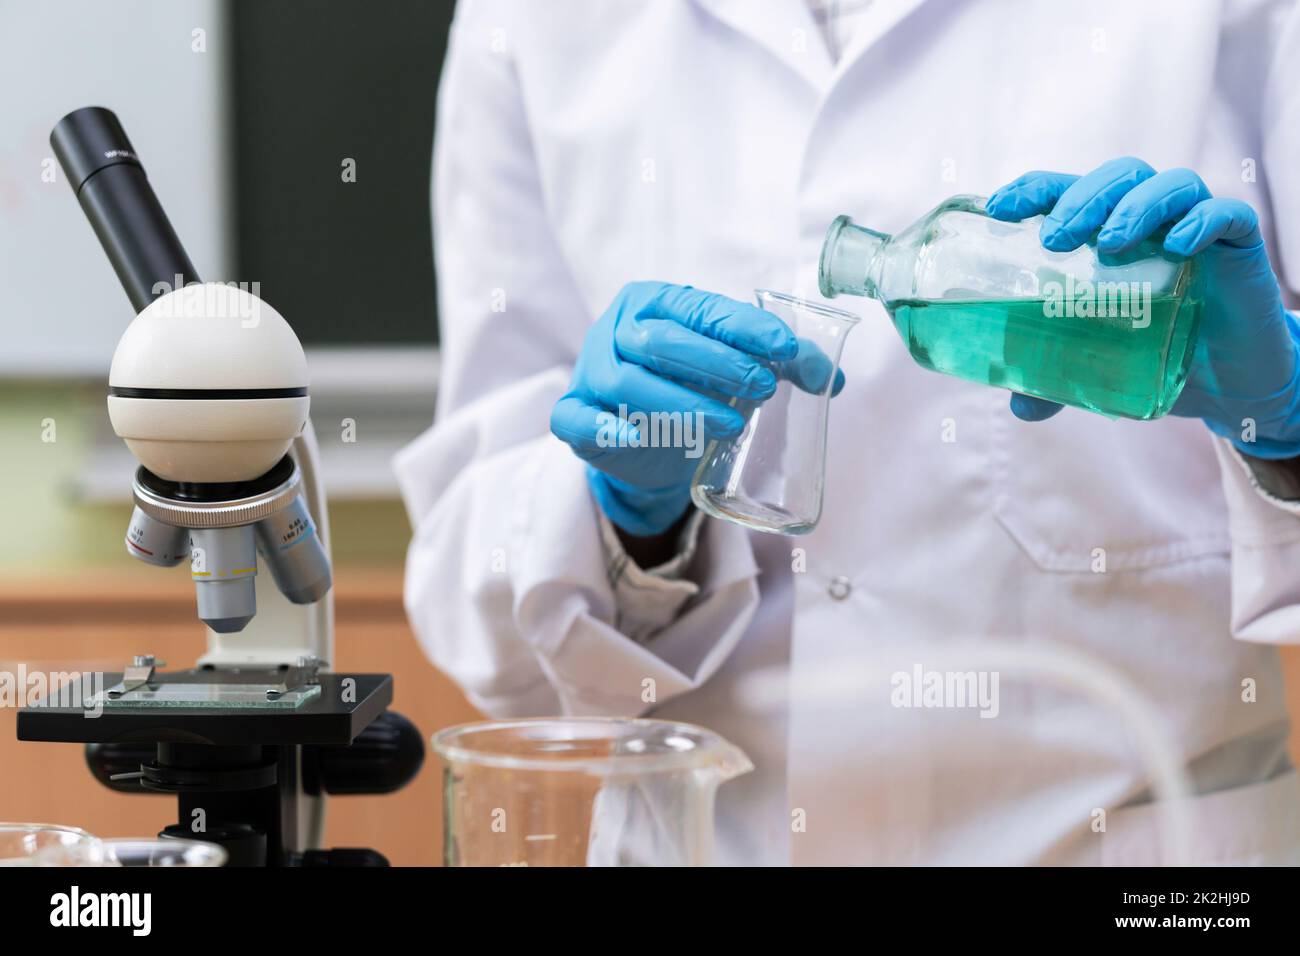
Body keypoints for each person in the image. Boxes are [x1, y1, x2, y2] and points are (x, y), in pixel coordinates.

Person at [396, 0, 1300, 864]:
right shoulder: (535, 21)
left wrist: (1285, 422)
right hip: (715, 840)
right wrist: (621, 518)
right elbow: (480, 615)